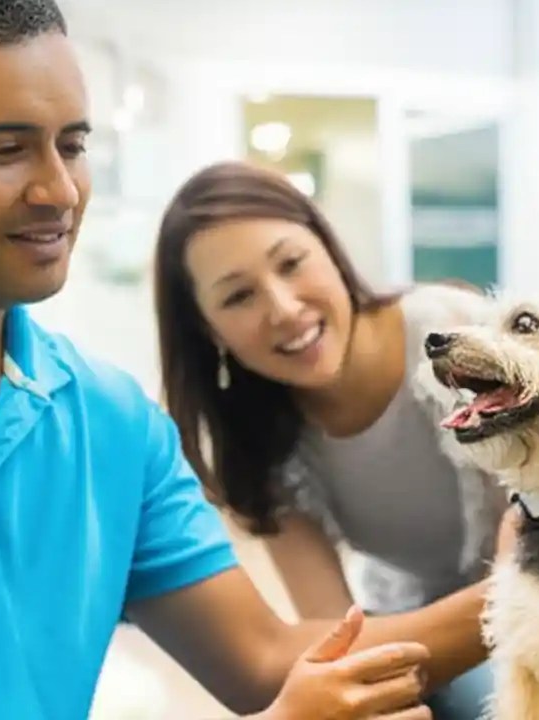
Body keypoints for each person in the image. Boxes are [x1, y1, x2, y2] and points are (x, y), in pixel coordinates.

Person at [0, 2, 485, 718]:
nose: (58, 192)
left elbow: (263, 657)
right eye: (3, 149)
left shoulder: (109, 417)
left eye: (73, 145)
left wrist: (538, 588)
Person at [152, 160, 513, 719]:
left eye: (291, 264)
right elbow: (337, 641)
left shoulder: (452, 335)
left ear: (328, 246)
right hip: (414, 618)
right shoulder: (257, 444)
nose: (284, 308)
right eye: (238, 297)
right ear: (208, 330)